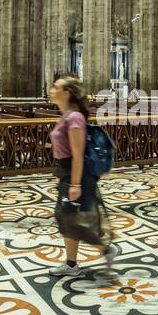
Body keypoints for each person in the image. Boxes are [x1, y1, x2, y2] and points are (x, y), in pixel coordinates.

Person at [48, 74, 117, 277]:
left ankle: (105, 248)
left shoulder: (75, 117)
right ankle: (71, 265)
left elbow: (78, 155)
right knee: (68, 219)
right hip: (66, 172)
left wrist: (75, 184)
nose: (52, 89)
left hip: (74, 174)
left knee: (66, 218)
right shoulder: (68, 114)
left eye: (56, 87)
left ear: (67, 93)